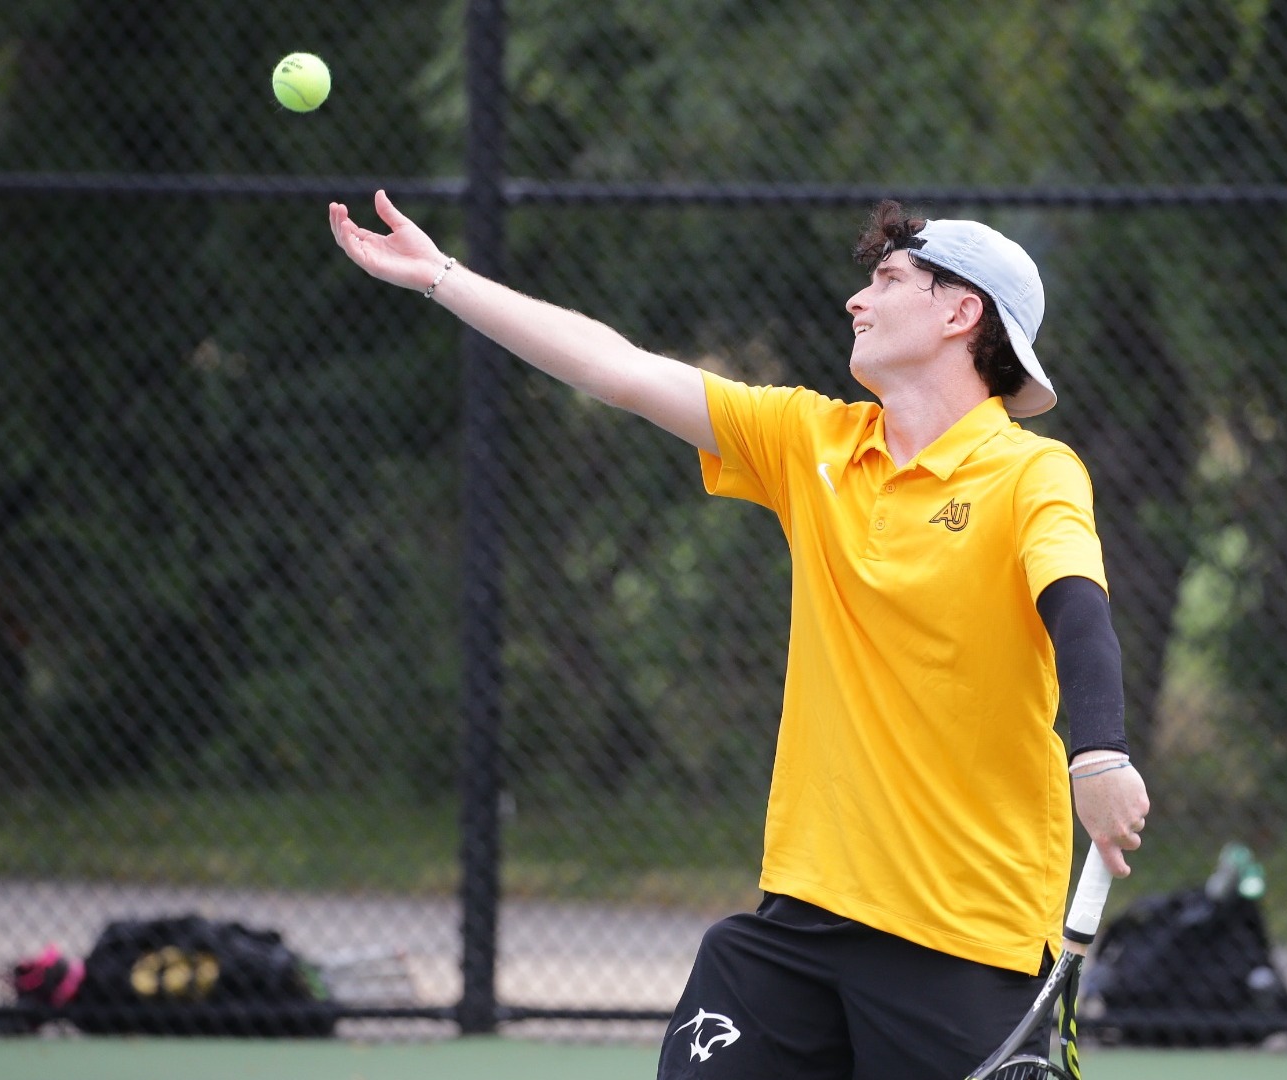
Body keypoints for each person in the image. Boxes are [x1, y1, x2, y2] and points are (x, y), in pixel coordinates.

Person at [328, 192, 1151, 1079]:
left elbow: (1076, 606)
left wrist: (1097, 754)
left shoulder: (1033, 471)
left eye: (887, 279)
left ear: (960, 313)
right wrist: (442, 278)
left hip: (960, 931)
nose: (856, 299)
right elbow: (619, 369)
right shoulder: (814, 442)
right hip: (800, 919)